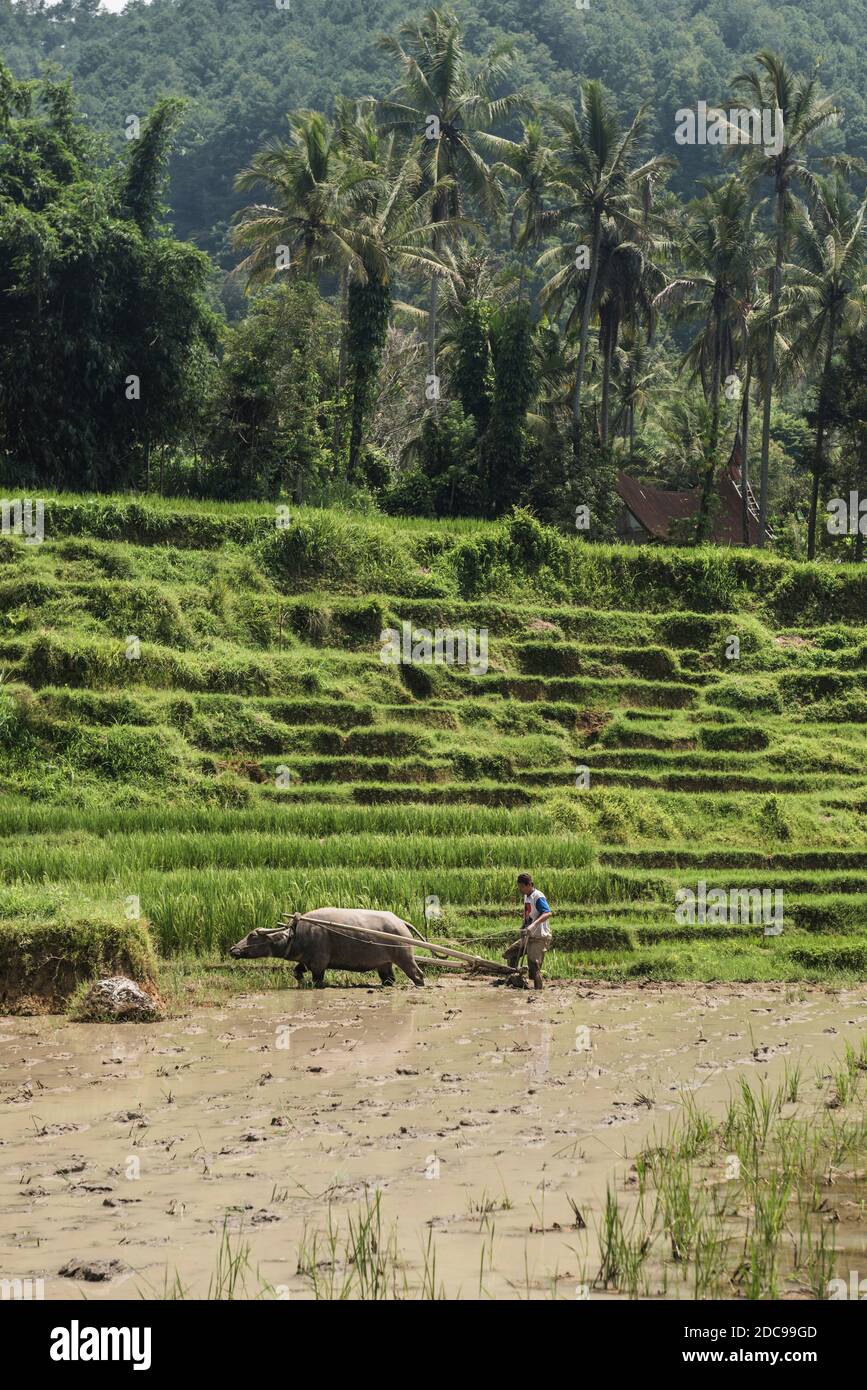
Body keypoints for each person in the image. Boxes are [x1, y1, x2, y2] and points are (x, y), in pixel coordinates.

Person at [504, 872, 553, 990]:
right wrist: (523, 926)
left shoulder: (538, 896)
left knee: (534, 967)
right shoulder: (526, 896)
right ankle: (517, 980)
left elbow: (548, 913)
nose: (520, 889)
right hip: (528, 936)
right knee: (510, 954)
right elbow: (528, 915)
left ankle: (538, 994)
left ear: (529, 884)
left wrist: (533, 926)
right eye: (519, 886)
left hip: (538, 937)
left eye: (521, 887)